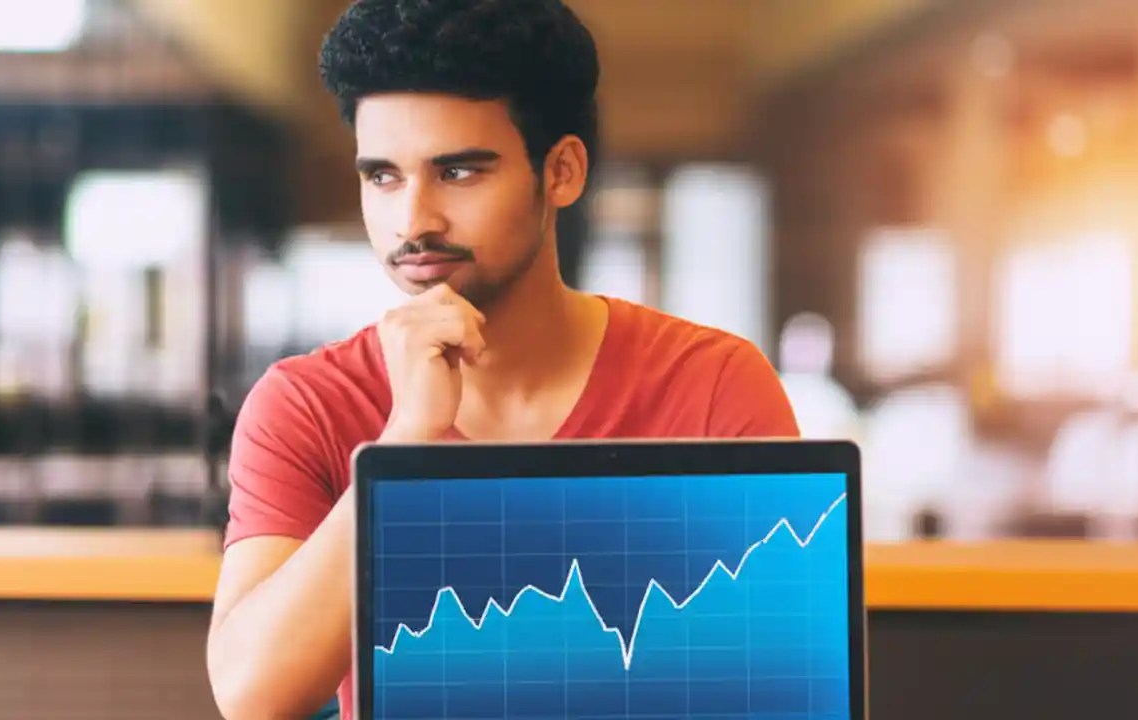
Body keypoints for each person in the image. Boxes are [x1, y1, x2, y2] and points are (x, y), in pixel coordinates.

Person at [205, 1, 800, 718]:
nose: (413, 220)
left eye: (457, 172)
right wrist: (404, 445)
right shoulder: (307, 404)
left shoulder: (712, 385)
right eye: (383, 177)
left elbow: (780, 685)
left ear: (562, 172)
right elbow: (253, 696)